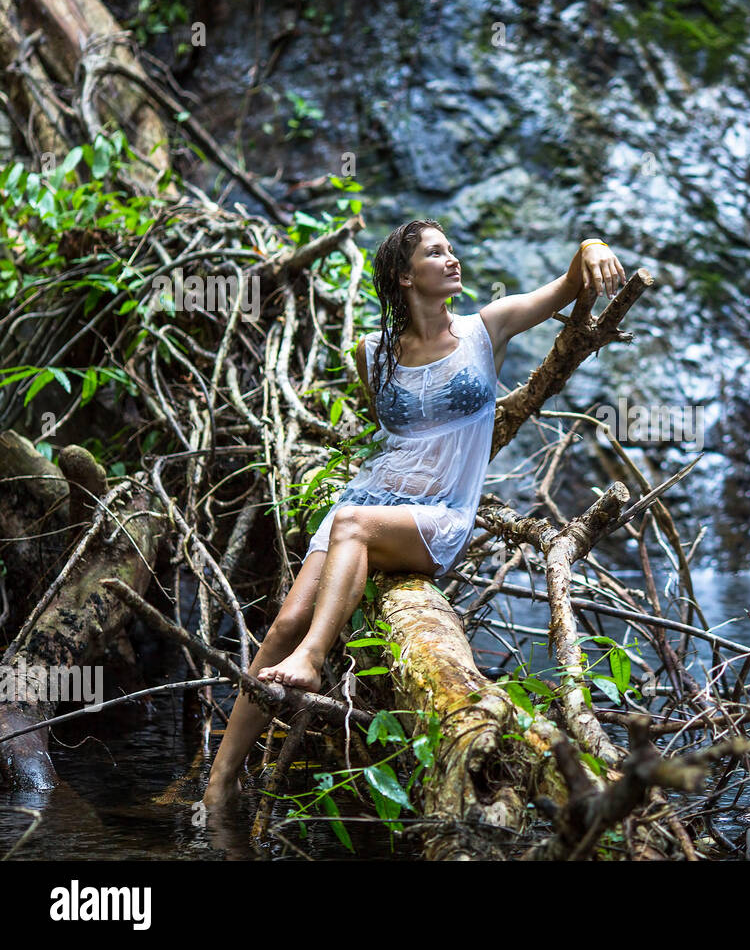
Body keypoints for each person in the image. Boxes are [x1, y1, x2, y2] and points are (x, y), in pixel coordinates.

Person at [201, 220, 626, 808]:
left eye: (451, 249)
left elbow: (565, 286)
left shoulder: (487, 328)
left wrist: (591, 247)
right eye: (435, 253)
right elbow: (393, 441)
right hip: (370, 501)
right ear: (404, 276)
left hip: (440, 515)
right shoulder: (372, 355)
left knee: (350, 532)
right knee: (283, 623)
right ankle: (219, 784)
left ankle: (314, 660)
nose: (452, 259)